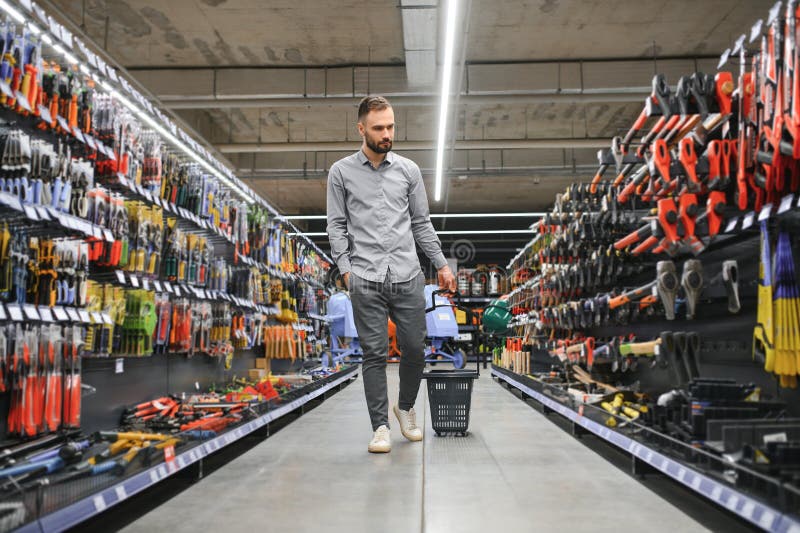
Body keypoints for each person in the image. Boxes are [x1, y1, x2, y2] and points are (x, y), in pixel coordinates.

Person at [326, 95, 456, 453]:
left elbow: (421, 223)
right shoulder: (340, 172)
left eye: (391, 126)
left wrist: (442, 264)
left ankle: (406, 406)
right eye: (379, 127)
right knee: (374, 353)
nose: (387, 134)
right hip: (364, 276)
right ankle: (380, 426)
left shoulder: (409, 171)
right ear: (361, 129)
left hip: (407, 274)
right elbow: (336, 226)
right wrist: (346, 270)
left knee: (415, 347)